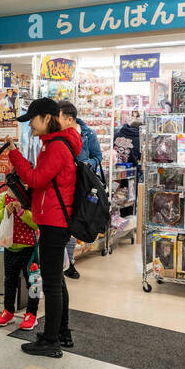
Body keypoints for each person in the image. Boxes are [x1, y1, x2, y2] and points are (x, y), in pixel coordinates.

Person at [9, 97, 81, 357]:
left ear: (47, 117)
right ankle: (59, 333)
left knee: (50, 284)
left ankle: (51, 341)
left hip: (54, 222)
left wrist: (15, 156)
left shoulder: (57, 148)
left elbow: (36, 179)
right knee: (56, 281)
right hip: (54, 220)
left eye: (32, 121)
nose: (30, 127)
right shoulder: (57, 145)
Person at [58, 101, 101, 279]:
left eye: (58, 116)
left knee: (73, 223)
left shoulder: (88, 134)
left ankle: (70, 264)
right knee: (61, 225)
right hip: (62, 185)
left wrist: (85, 165)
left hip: (80, 185)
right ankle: (62, 264)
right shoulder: (56, 135)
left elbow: (98, 157)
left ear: (69, 119)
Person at [0, 189, 39, 331]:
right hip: (10, 247)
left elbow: (37, 223)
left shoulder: (32, 197)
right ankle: (8, 311)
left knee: (34, 282)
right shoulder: (4, 198)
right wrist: (6, 211)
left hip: (30, 248)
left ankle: (32, 313)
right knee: (9, 281)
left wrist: (22, 212)